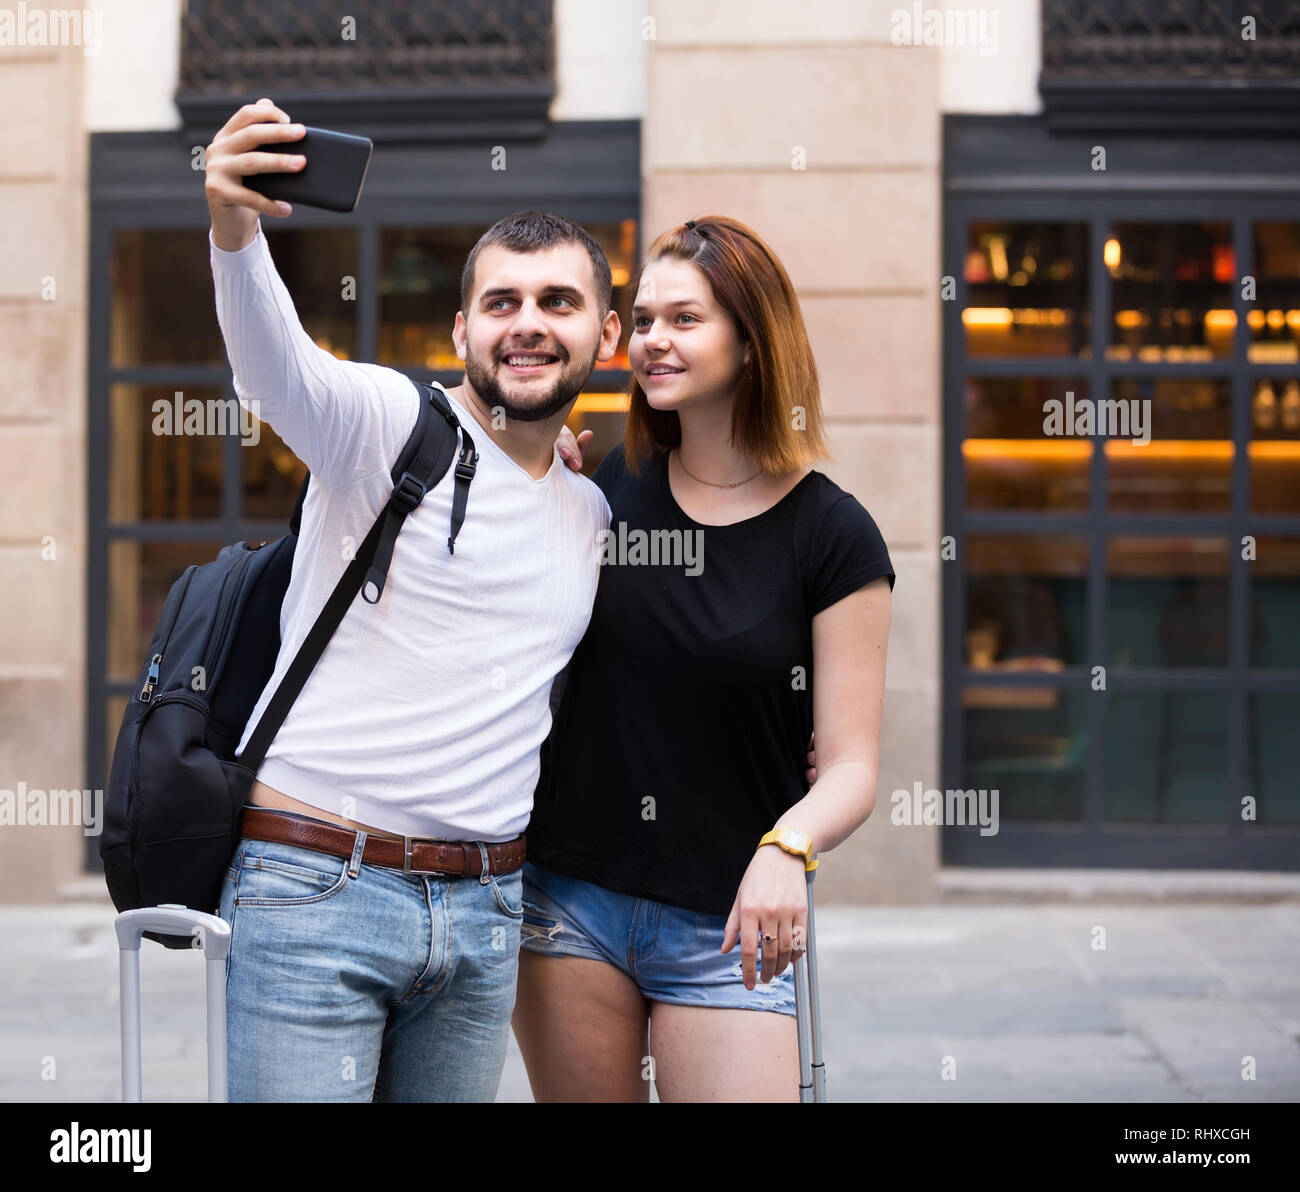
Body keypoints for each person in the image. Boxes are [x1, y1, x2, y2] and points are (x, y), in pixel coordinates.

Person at [203, 99, 620, 1101]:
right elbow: (276, 371)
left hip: (485, 915)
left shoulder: (591, 510)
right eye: (503, 302)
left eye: (558, 302)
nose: (528, 323)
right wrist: (232, 225)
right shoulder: (389, 424)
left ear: (604, 331)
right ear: (462, 328)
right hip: (316, 891)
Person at [514, 215, 895, 1102]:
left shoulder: (833, 536)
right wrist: (538, 476)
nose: (651, 340)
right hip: (570, 901)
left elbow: (851, 767)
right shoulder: (605, 488)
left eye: (684, 320)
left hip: (730, 923)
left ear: (753, 342)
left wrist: (787, 846)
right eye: (642, 320)